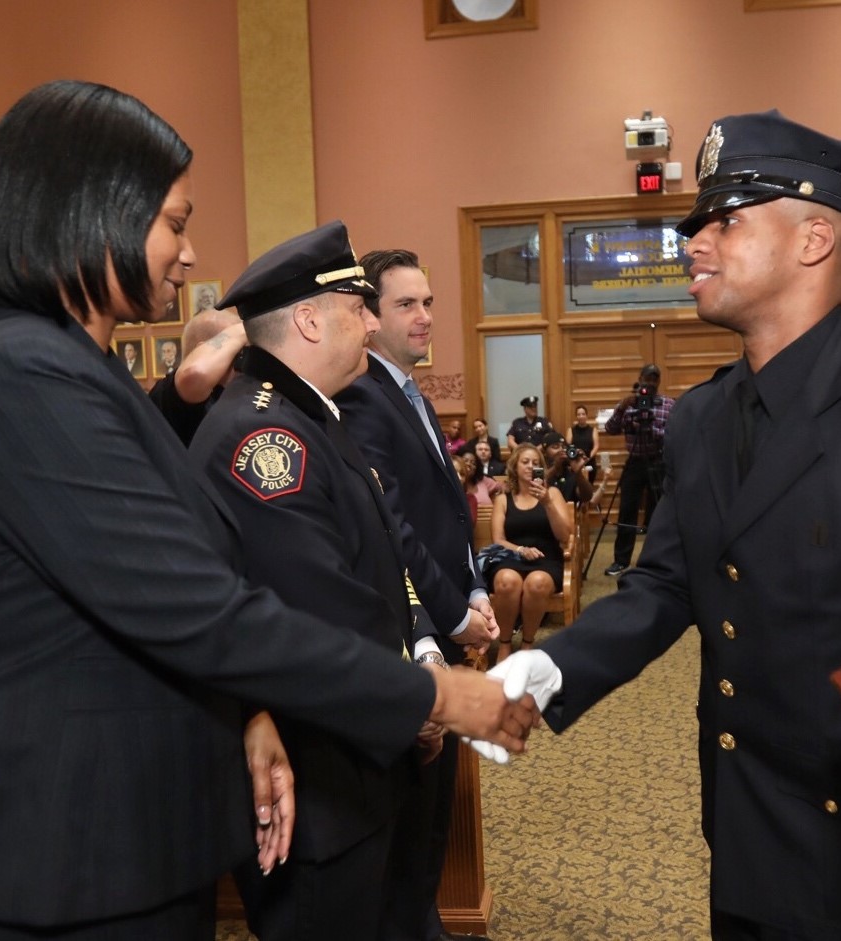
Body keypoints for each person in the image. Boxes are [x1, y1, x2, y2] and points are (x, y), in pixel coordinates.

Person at [0, 80, 533, 941]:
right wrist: (440, 693)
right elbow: (196, 607)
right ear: (93, 212)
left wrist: (249, 714)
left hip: (112, 850)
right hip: (49, 867)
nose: (188, 258)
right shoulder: (18, 371)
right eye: (176, 222)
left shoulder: (70, 368)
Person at [484, 108, 841, 941]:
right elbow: (666, 583)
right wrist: (549, 668)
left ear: (812, 241)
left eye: (725, 222)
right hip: (739, 824)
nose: (692, 242)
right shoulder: (701, 419)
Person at [190, 225, 469, 940]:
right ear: (310, 320)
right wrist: (421, 697)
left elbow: (383, 564)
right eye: (358, 307)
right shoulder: (264, 441)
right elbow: (321, 606)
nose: (373, 322)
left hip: (361, 761)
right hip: (320, 786)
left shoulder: (314, 414)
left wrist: (423, 656)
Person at [336, 248, 500, 941]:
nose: (426, 315)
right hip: (410, 640)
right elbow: (394, 528)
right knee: (407, 846)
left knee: (431, 834)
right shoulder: (364, 396)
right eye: (406, 303)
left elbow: (447, 513)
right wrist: (452, 614)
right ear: (368, 318)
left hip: (442, 618)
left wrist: (472, 584)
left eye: (428, 301)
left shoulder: (407, 388)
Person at [487, 444, 570, 663]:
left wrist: (547, 503)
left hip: (546, 559)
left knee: (537, 583)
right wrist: (521, 550)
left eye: (535, 463)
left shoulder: (552, 493)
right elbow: (498, 540)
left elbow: (564, 535)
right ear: (514, 466)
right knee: (506, 581)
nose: (530, 467)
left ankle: (527, 644)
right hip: (511, 558)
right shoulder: (503, 498)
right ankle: (505, 643)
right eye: (525, 462)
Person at [602, 363, 673, 576]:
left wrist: (650, 426)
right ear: (640, 378)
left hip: (658, 462)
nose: (649, 383)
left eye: (654, 379)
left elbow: (672, 435)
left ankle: (654, 560)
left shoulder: (668, 405)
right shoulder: (628, 404)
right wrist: (623, 407)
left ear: (658, 381)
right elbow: (610, 429)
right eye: (647, 378)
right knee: (627, 511)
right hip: (634, 462)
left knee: (658, 512)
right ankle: (621, 560)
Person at [147, 308, 248, 446]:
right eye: (237, 352)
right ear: (204, 350)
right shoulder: (169, 395)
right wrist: (247, 329)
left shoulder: (227, 392)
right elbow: (195, 373)